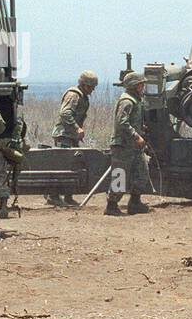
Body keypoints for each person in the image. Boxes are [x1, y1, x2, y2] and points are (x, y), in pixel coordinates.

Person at [46, 70, 98, 207]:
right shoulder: (74, 95)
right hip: (64, 135)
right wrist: (76, 128)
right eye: (91, 87)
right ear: (84, 85)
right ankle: (53, 195)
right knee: (61, 167)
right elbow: (65, 113)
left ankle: (68, 196)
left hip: (71, 137)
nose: (92, 90)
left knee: (74, 166)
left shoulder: (82, 96)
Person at [106, 72, 152, 216]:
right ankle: (112, 206)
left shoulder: (135, 100)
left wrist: (141, 130)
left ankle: (135, 203)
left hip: (133, 146)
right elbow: (121, 123)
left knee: (142, 174)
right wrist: (136, 135)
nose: (142, 87)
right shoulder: (127, 101)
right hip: (123, 145)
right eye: (140, 84)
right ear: (134, 86)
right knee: (119, 176)